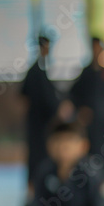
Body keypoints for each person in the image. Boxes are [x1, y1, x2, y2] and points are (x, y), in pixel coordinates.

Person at [21, 34, 70, 189]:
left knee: (40, 154)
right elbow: (43, 97)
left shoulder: (40, 69)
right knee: (38, 154)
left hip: (40, 121)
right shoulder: (37, 71)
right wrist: (58, 109)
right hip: (38, 122)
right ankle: (35, 185)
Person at [70, 37, 104, 161]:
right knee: (91, 148)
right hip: (91, 120)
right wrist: (81, 110)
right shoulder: (86, 73)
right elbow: (74, 94)